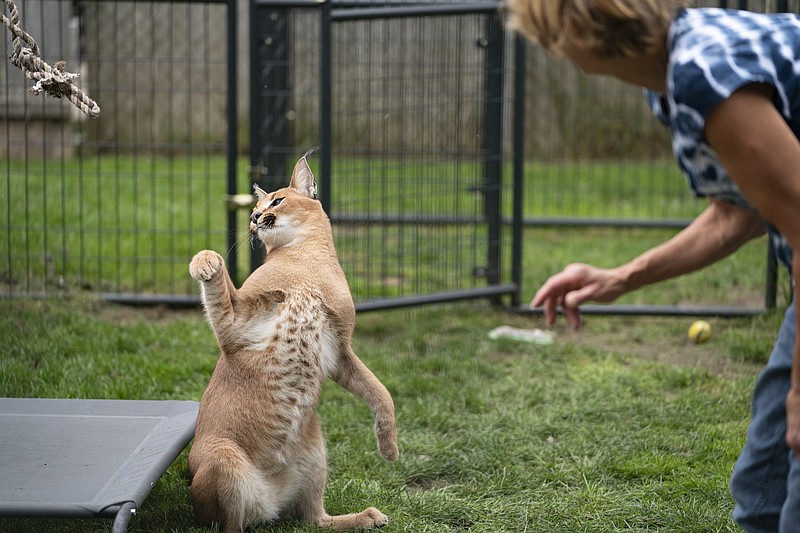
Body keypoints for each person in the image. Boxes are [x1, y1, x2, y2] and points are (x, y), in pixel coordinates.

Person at [505, 1, 800, 531]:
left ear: (577, 25)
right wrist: (620, 277)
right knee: (764, 489)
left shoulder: (704, 74)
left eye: (547, 34)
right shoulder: (675, 73)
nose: (551, 49)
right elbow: (740, 211)